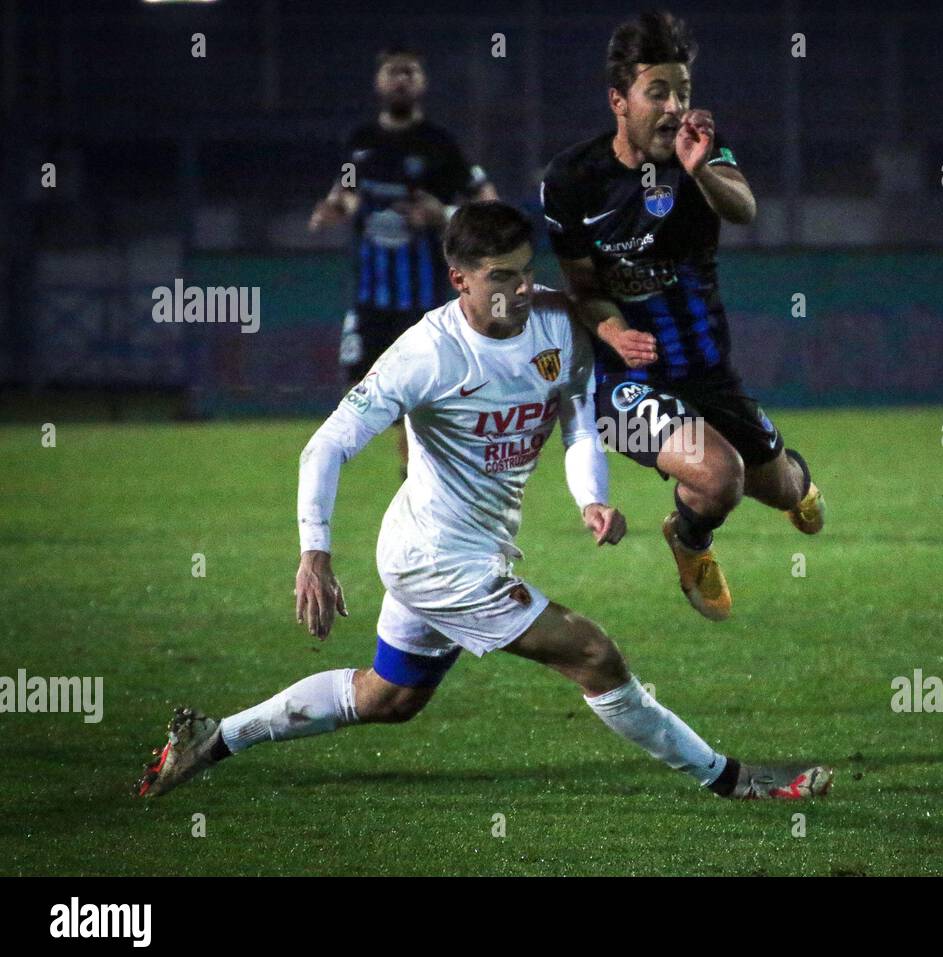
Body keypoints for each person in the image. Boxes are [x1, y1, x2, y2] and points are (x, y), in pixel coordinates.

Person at [136, 202, 832, 803]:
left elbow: (578, 421)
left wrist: (592, 498)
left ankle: (212, 739)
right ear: (459, 279)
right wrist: (314, 552)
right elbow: (325, 446)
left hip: (458, 544)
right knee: (593, 653)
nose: (521, 288)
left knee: (390, 697)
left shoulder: (557, 324)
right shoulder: (423, 355)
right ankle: (733, 778)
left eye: (527, 270)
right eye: (502, 277)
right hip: (436, 560)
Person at [541, 11, 825, 623]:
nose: (674, 106)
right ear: (620, 100)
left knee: (783, 489)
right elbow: (583, 288)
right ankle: (690, 539)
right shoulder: (572, 179)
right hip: (622, 383)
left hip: (705, 369)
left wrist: (701, 171)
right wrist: (614, 330)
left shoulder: (701, 150)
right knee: (718, 477)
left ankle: (793, 480)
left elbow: (745, 209)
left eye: (683, 92)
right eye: (658, 92)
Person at [310, 46, 496, 477]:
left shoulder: (439, 145)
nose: (401, 80)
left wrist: (443, 215)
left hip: (423, 297)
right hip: (369, 294)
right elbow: (346, 190)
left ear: (422, 82)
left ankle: (418, 466)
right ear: (379, 82)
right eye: (394, 72)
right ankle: (416, 449)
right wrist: (333, 207)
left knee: (422, 387)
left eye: (410, 72)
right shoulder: (361, 142)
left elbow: (488, 202)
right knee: (359, 385)